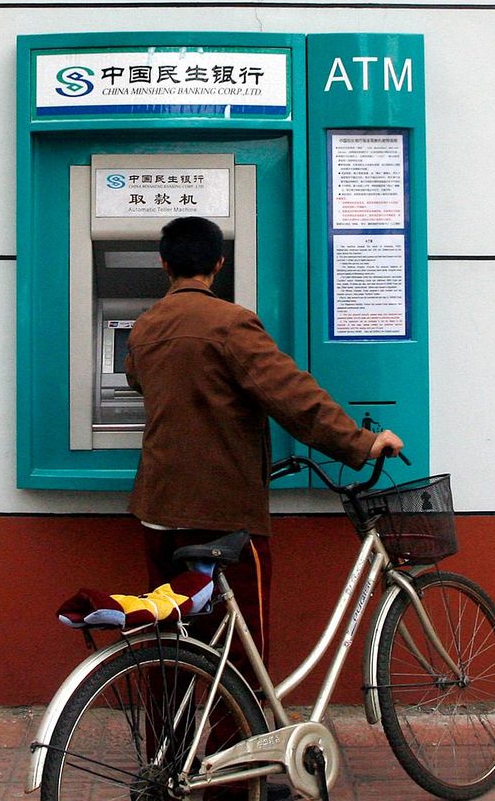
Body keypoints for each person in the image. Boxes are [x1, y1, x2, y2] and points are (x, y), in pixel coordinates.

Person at [126, 215, 404, 666]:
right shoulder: (231, 324)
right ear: (219, 262)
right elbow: (293, 396)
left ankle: (168, 738)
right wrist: (360, 443)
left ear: (164, 264)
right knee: (240, 649)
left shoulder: (144, 327)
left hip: (157, 510)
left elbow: (140, 382)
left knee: (169, 639)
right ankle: (239, 738)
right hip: (222, 513)